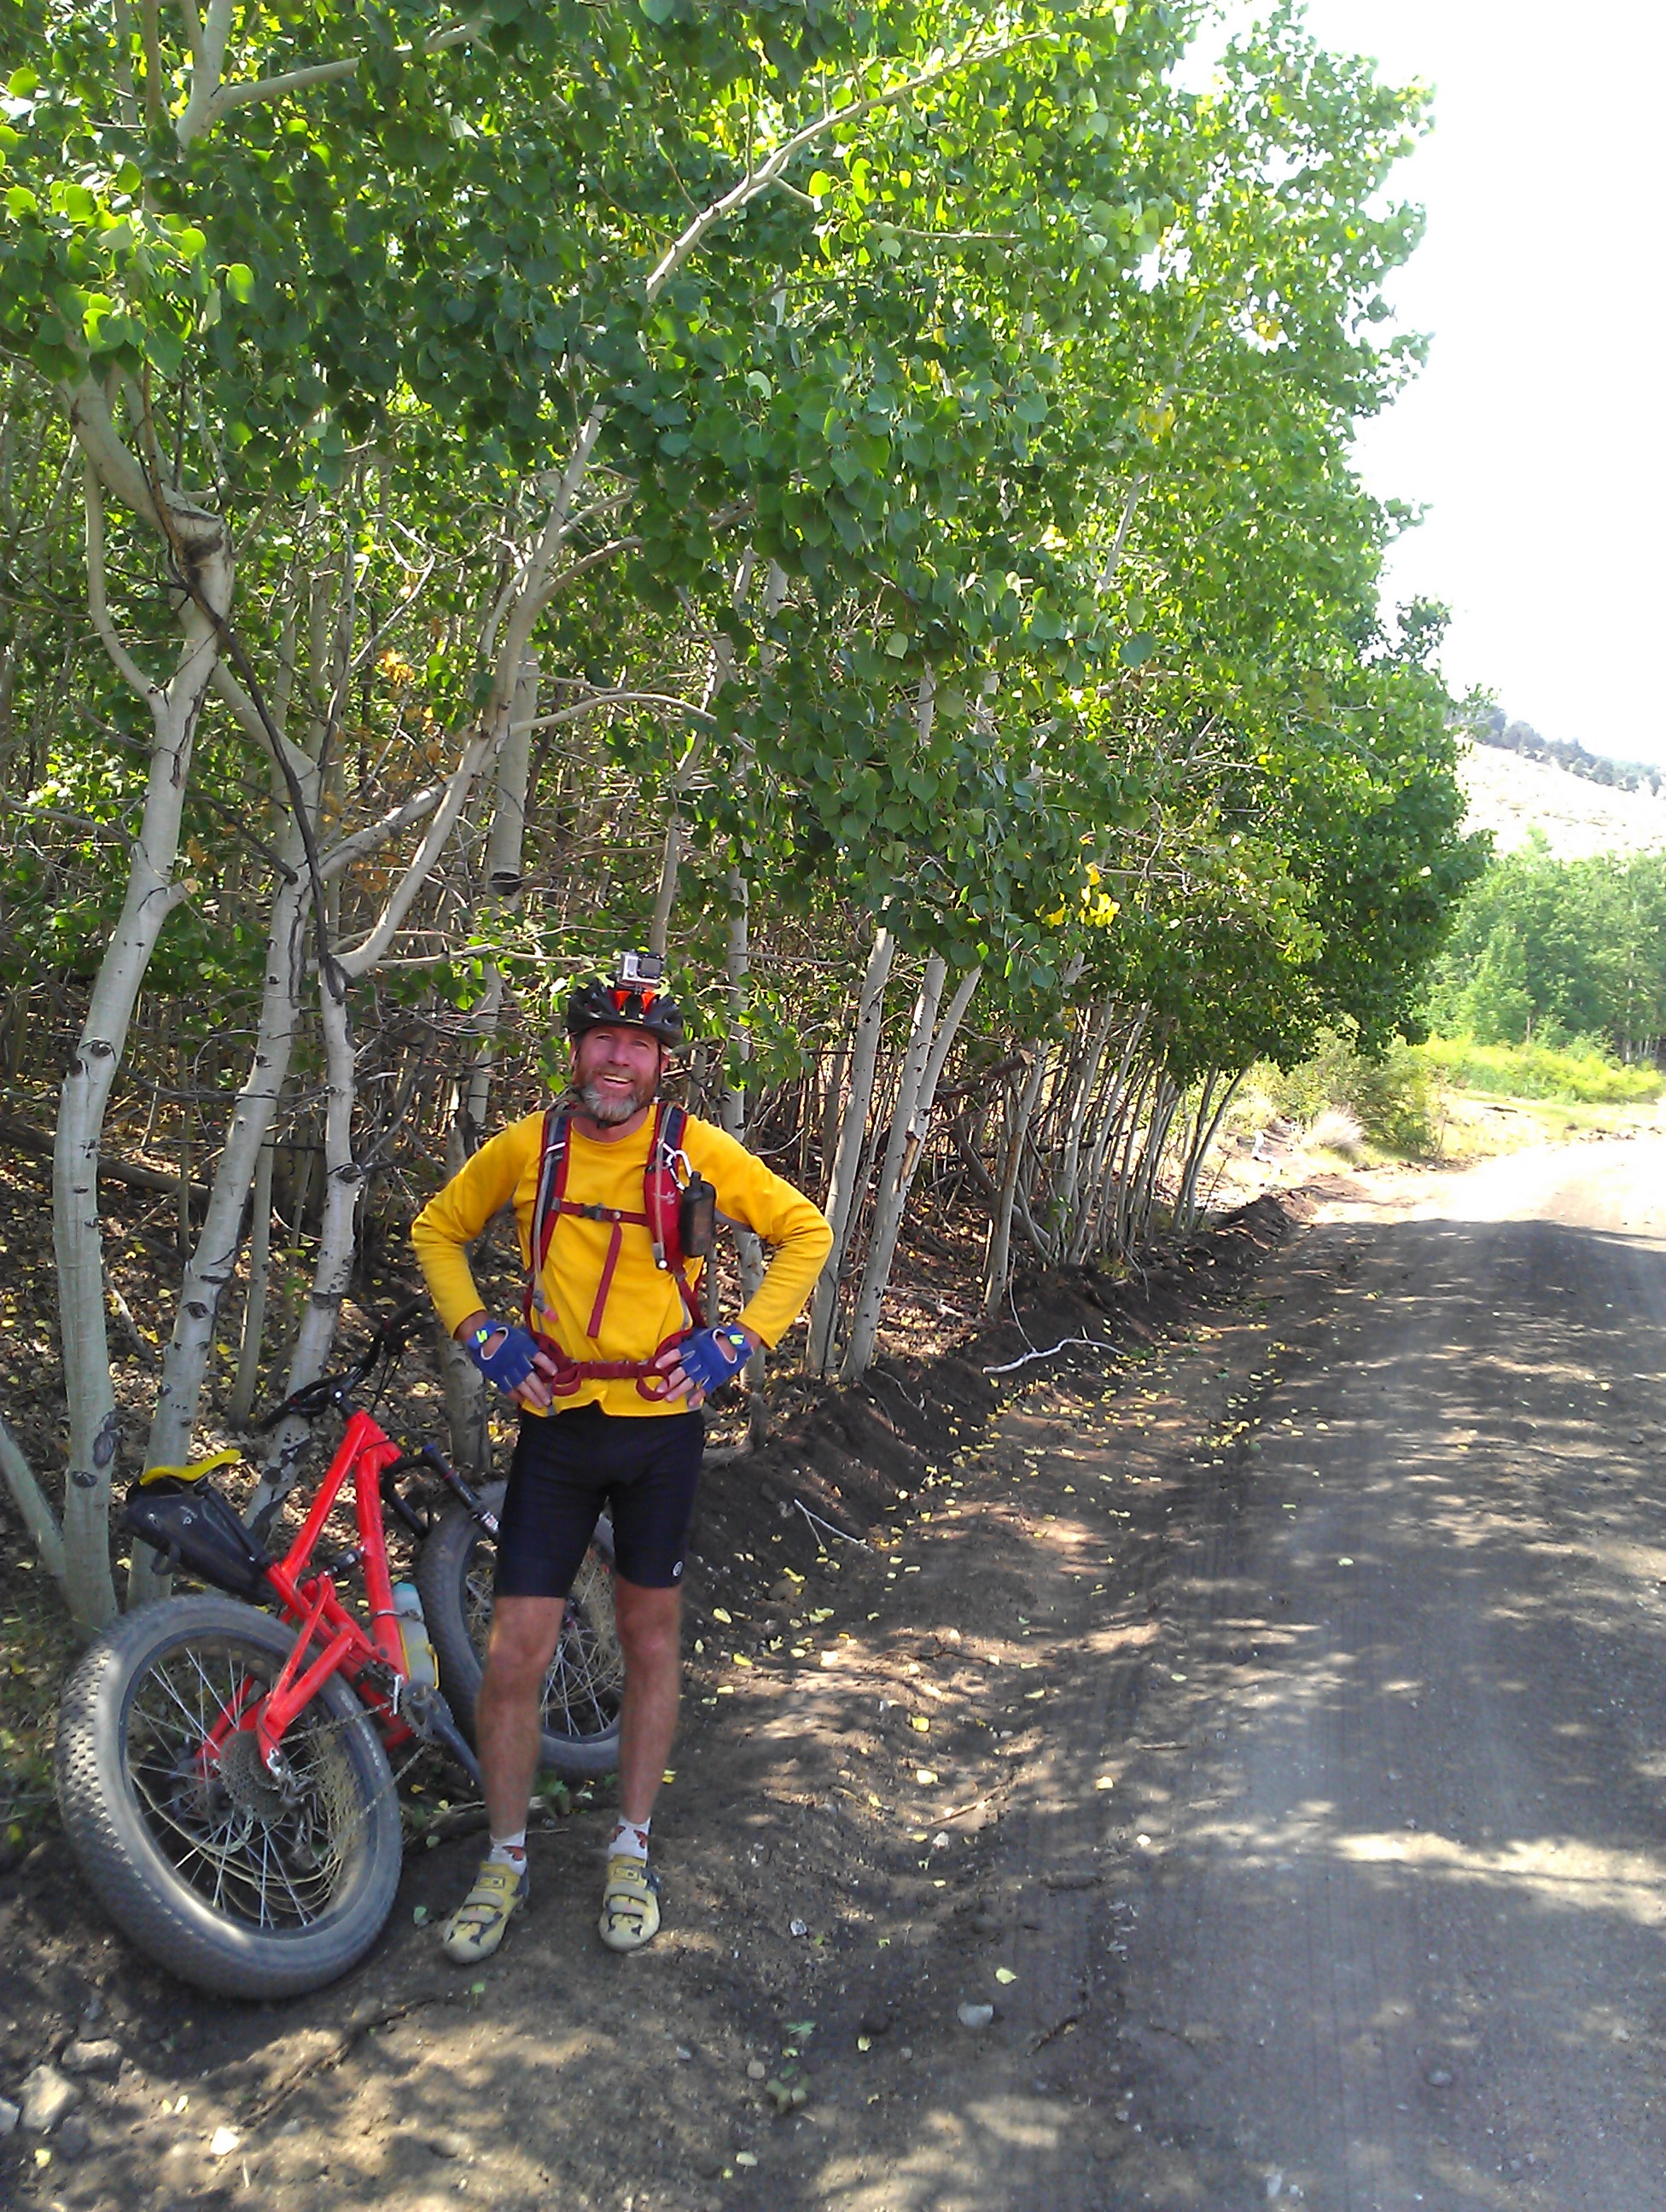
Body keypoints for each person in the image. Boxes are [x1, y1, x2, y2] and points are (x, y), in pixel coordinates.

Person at [411, 953, 831, 1964]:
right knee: (515, 1657)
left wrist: (741, 1341)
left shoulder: (693, 1151)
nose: (617, 1061)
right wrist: (482, 1336)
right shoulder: (528, 1148)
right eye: (603, 1039)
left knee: (649, 1641)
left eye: (637, 1047)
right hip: (556, 1427)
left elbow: (803, 1232)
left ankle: (631, 1848)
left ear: (658, 1064)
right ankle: (505, 1858)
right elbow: (437, 1229)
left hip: (662, 1430)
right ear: (574, 1051)